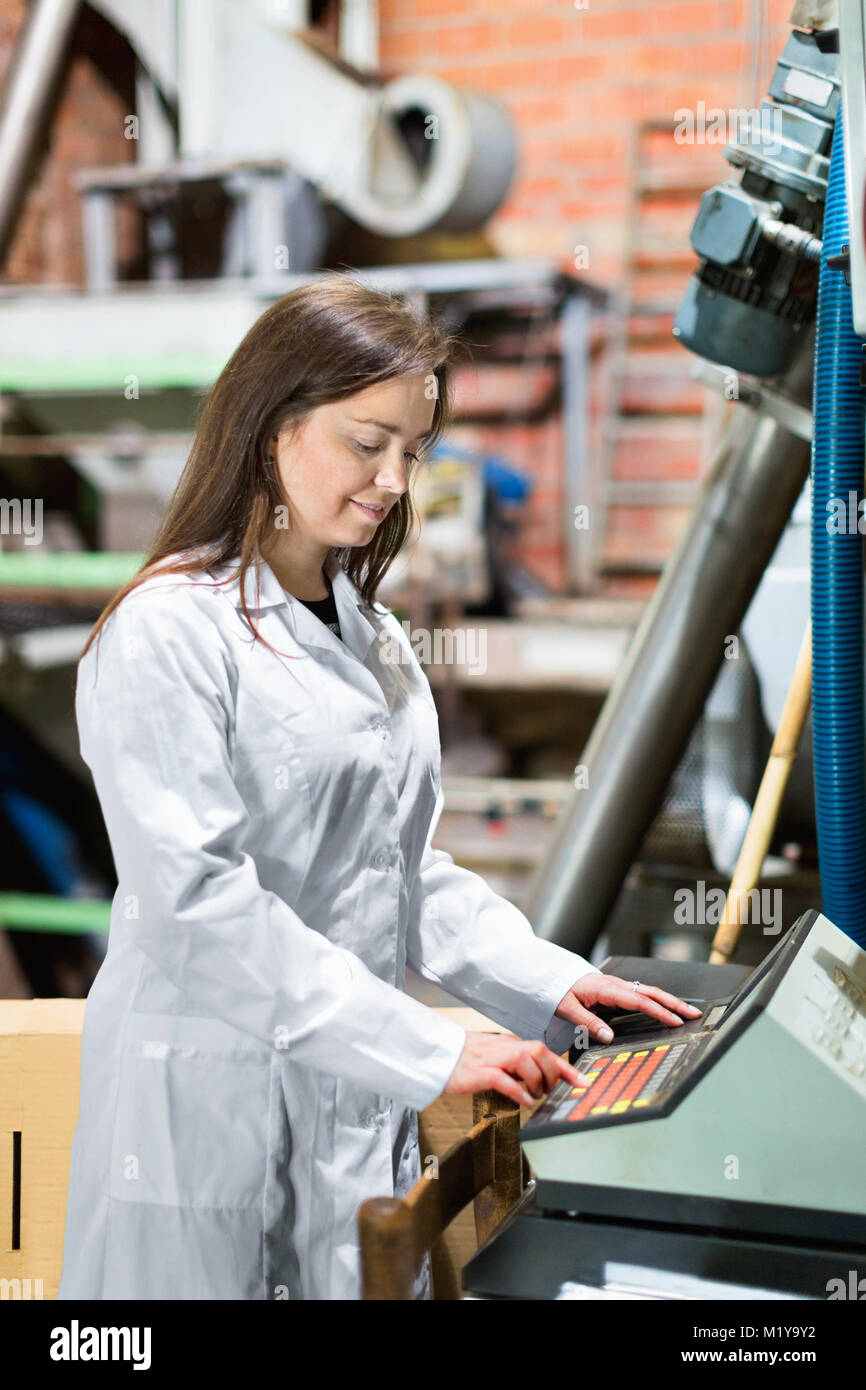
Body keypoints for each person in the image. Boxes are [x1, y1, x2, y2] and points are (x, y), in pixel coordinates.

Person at [57, 273, 700, 1301]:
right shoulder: (169, 631)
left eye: (413, 450)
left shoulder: (375, 635)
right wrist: (420, 1044)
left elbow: (402, 865)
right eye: (368, 443)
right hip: (203, 1113)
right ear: (274, 428)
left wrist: (547, 984)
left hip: (348, 1101)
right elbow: (197, 909)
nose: (395, 480)